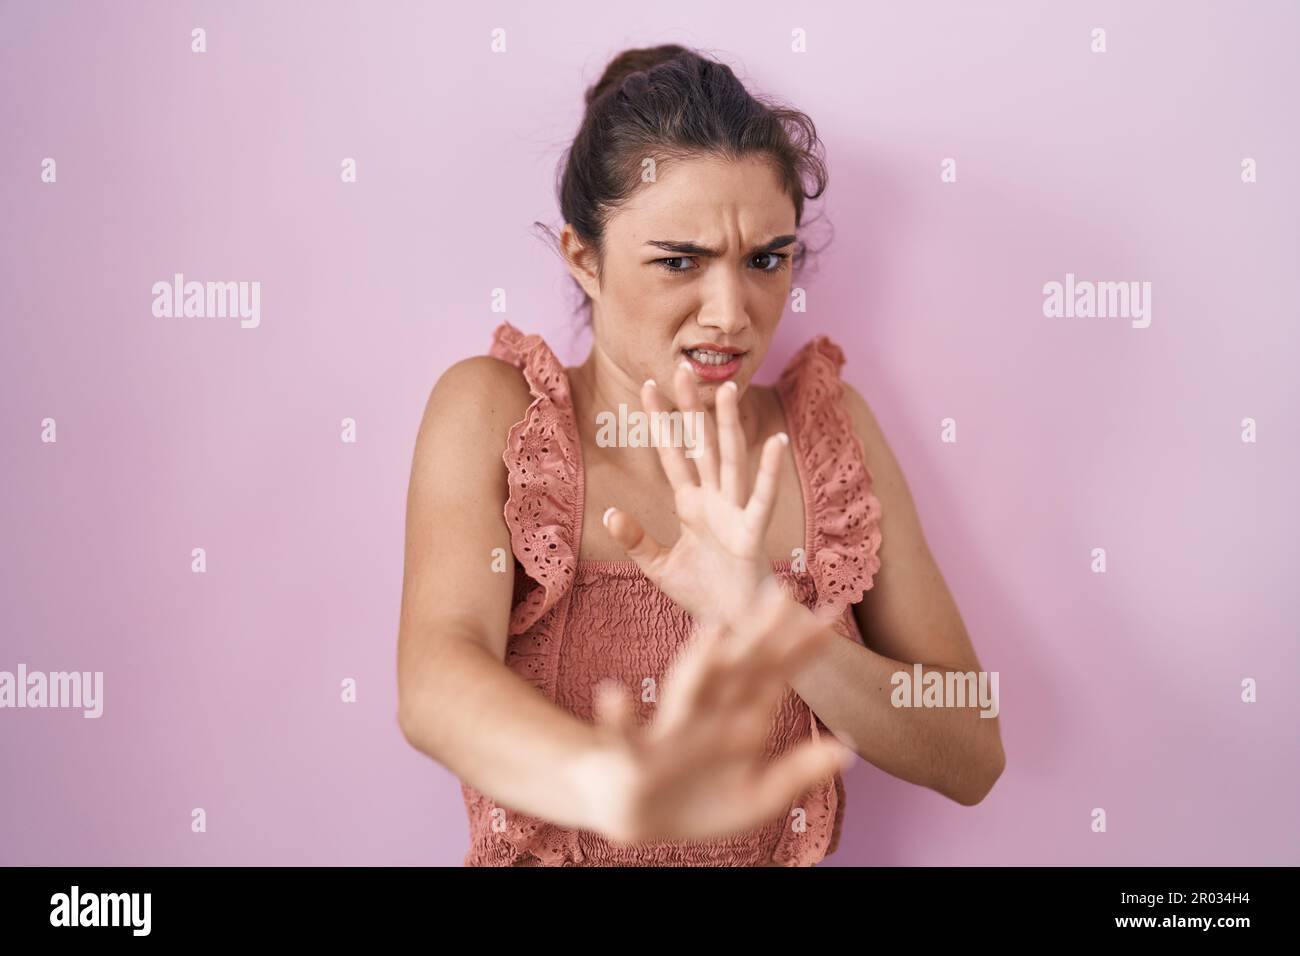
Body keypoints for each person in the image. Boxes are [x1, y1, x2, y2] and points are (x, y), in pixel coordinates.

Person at [397, 44, 1005, 866]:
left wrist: (766, 618)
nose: (732, 312)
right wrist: (614, 784)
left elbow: (970, 746)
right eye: (680, 261)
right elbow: (435, 678)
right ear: (584, 258)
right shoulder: (496, 413)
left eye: (765, 259)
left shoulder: (825, 433)